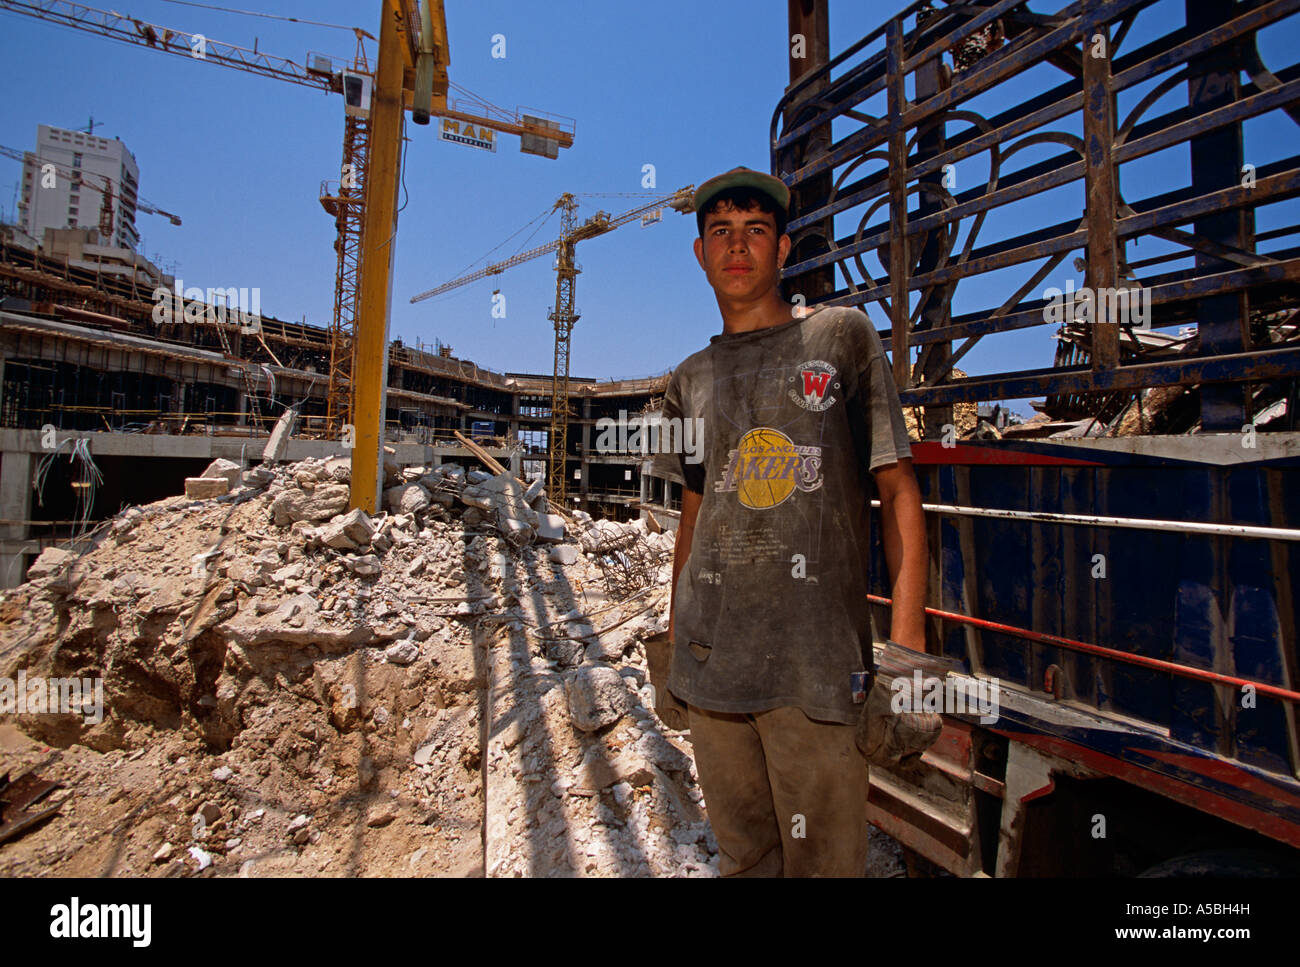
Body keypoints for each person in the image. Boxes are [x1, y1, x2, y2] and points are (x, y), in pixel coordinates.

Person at [652, 166, 930, 877]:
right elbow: (693, 515)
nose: (737, 248)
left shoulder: (841, 339)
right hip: (715, 682)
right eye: (720, 233)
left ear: (783, 250)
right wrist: (677, 640)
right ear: (699, 253)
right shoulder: (689, 381)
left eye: (755, 232)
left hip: (817, 680)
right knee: (746, 863)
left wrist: (905, 653)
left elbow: (898, 491)